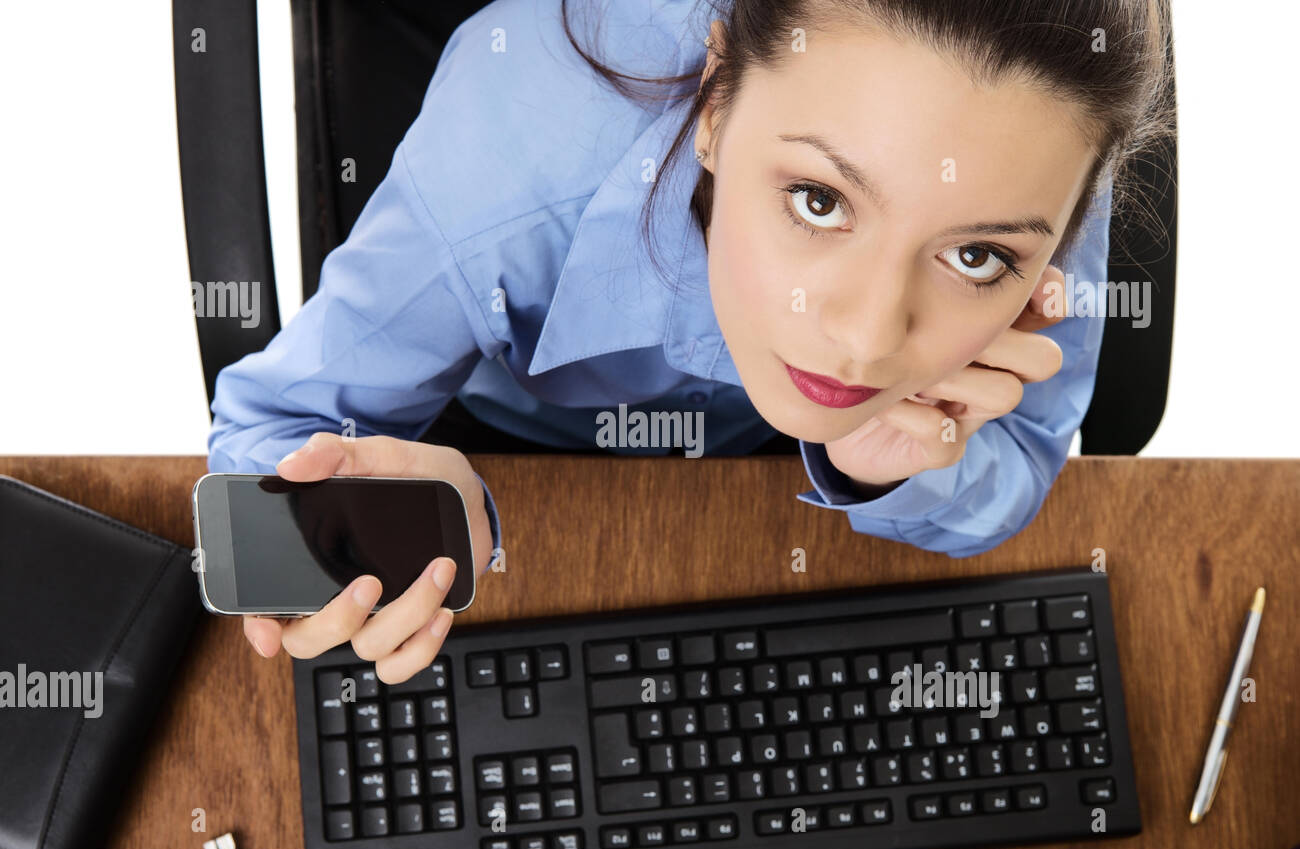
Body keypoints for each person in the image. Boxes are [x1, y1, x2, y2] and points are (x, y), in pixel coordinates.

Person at [207, 0, 1175, 681]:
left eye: (970, 258)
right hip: (527, 444)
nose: (866, 340)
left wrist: (878, 462)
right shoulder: (511, 156)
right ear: (715, 106)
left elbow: (1021, 456)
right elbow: (263, 433)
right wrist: (382, 517)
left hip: (790, 493)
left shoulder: (1033, 163)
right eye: (819, 199)